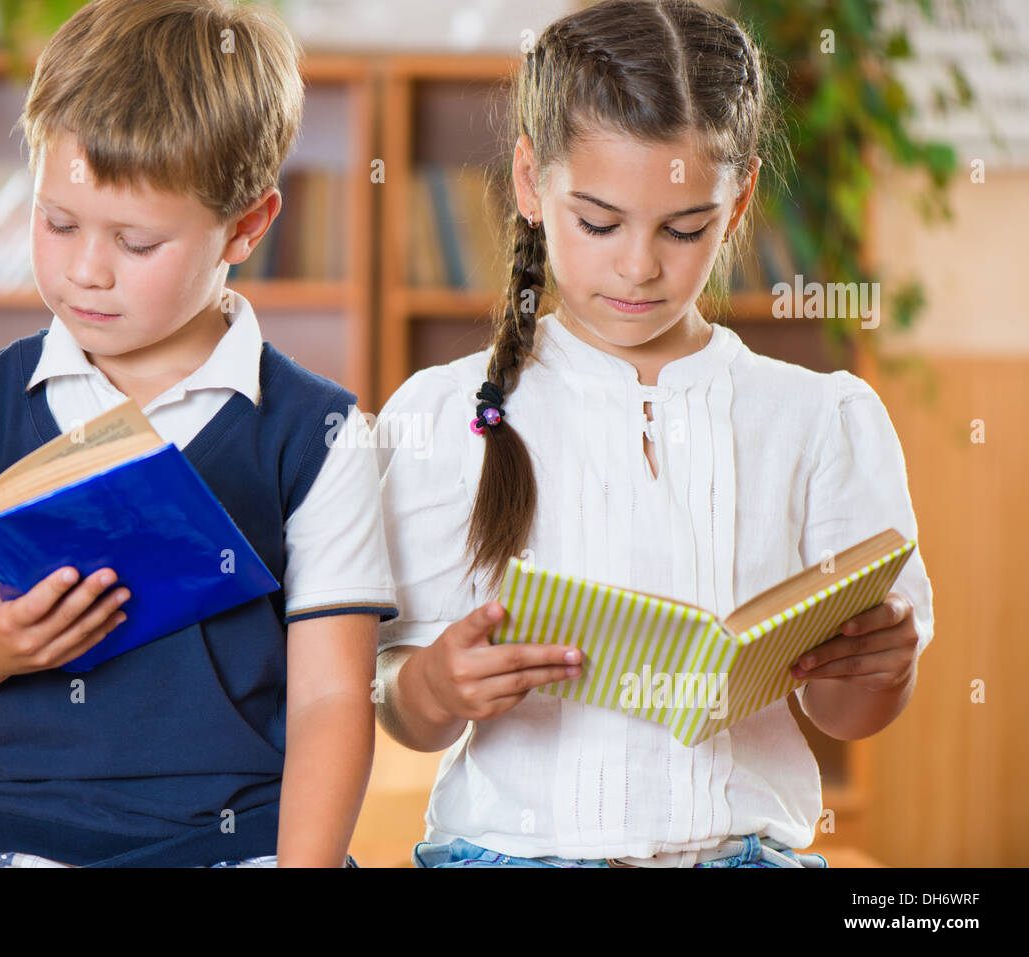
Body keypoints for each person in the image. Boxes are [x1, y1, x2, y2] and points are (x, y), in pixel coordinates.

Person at [374, 0, 935, 868]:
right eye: (598, 223)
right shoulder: (443, 416)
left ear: (740, 196)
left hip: (746, 851)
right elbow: (402, 709)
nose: (639, 266)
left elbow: (845, 717)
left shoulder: (822, 418)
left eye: (685, 229)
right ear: (529, 181)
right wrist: (435, 685)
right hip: (509, 851)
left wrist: (880, 669)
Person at [0, 0, 397, 868]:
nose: (84, 270)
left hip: (238, 841)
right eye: (57, 221)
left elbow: (333, 697)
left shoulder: (320, 434)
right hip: (14, 838)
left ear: (248, 226)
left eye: (136, 241)